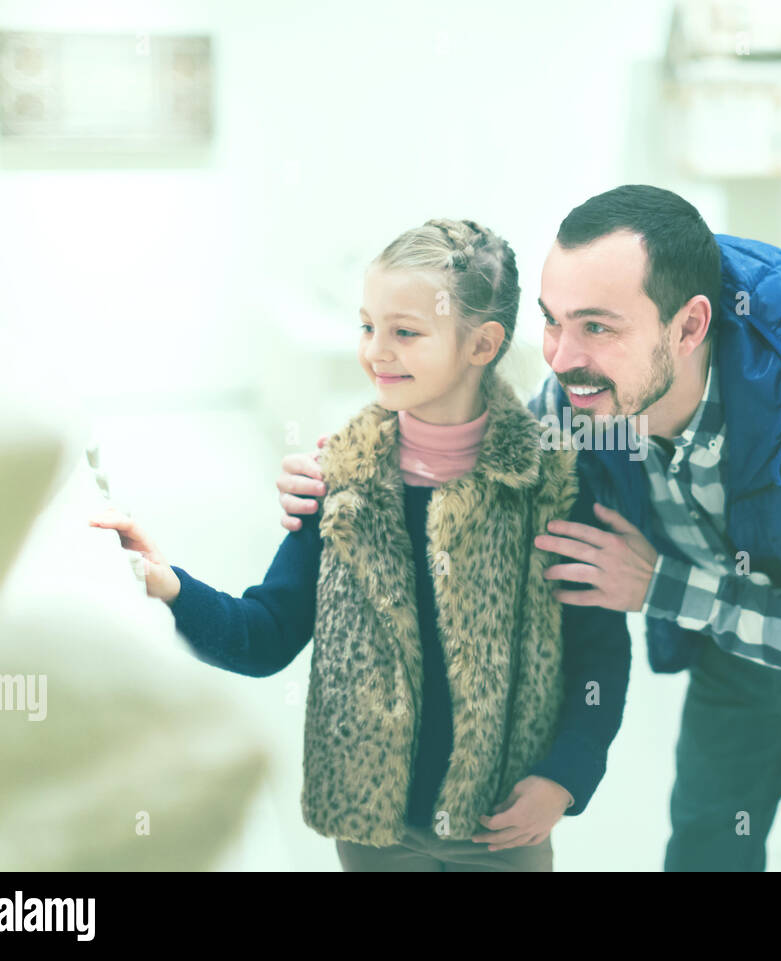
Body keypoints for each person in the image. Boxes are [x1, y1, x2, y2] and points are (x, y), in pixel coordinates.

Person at [279, 185, 781, 872]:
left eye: (598, 326)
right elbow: (483, 465)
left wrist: (661, 585)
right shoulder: (575, 396)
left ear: (689, 326)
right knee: (707, 842)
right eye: (554, 321)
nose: (560, 356)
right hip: (734, 638)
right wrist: (346, 473)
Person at [91, 218, 631, 872]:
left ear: (481, 344)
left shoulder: (551, 486)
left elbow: (599, 655)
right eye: (368, 326)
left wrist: (564, 778)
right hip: (376, 829)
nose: (377, 351)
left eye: (405, 332)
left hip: (502, 827)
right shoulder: (338, 482)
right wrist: (166, 582)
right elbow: (265, 634)